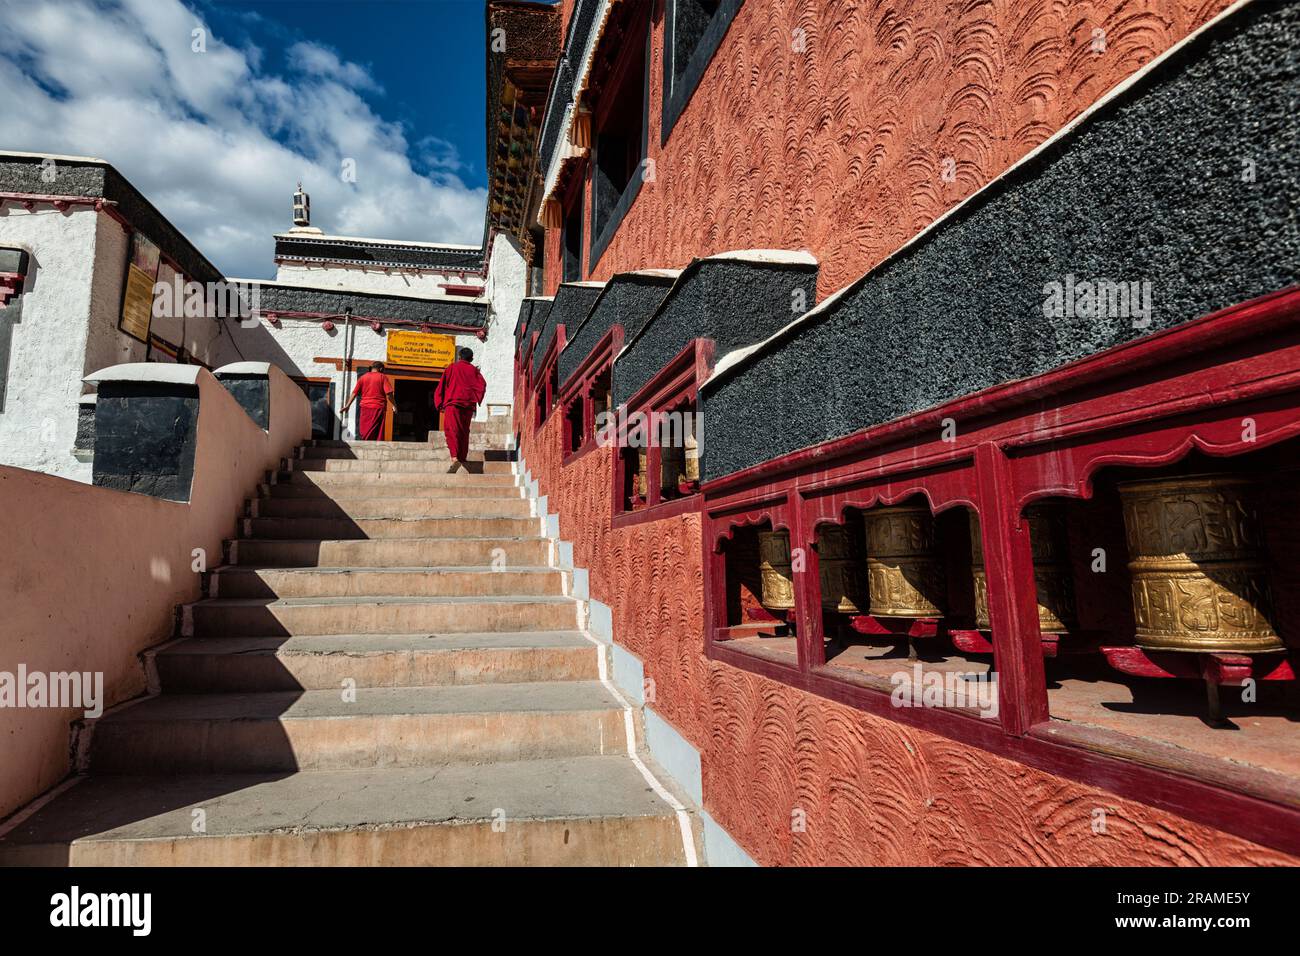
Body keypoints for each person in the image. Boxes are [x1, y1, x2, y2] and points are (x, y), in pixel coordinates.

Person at [433, 347, 486, 473]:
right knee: (463, 431)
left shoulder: (452, 367)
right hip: (468, 405)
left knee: (451, 429)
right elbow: (482, 384)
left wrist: (439, 403)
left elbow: (441, 385)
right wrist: (476, 398)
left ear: (459, 357)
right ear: (471, 358)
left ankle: (454, 457)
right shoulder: (474, 370)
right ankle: (462, 456)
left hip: (454, 403)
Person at [340, 361, 395, 441]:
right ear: (381, 369)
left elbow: (354, 392)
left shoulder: (363, 377)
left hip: (365, 408)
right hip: (378, 408)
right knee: (377, 433)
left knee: (366, 431)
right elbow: (389, 394)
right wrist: (394, 405)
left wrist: (348, 405)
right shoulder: (382, 377)